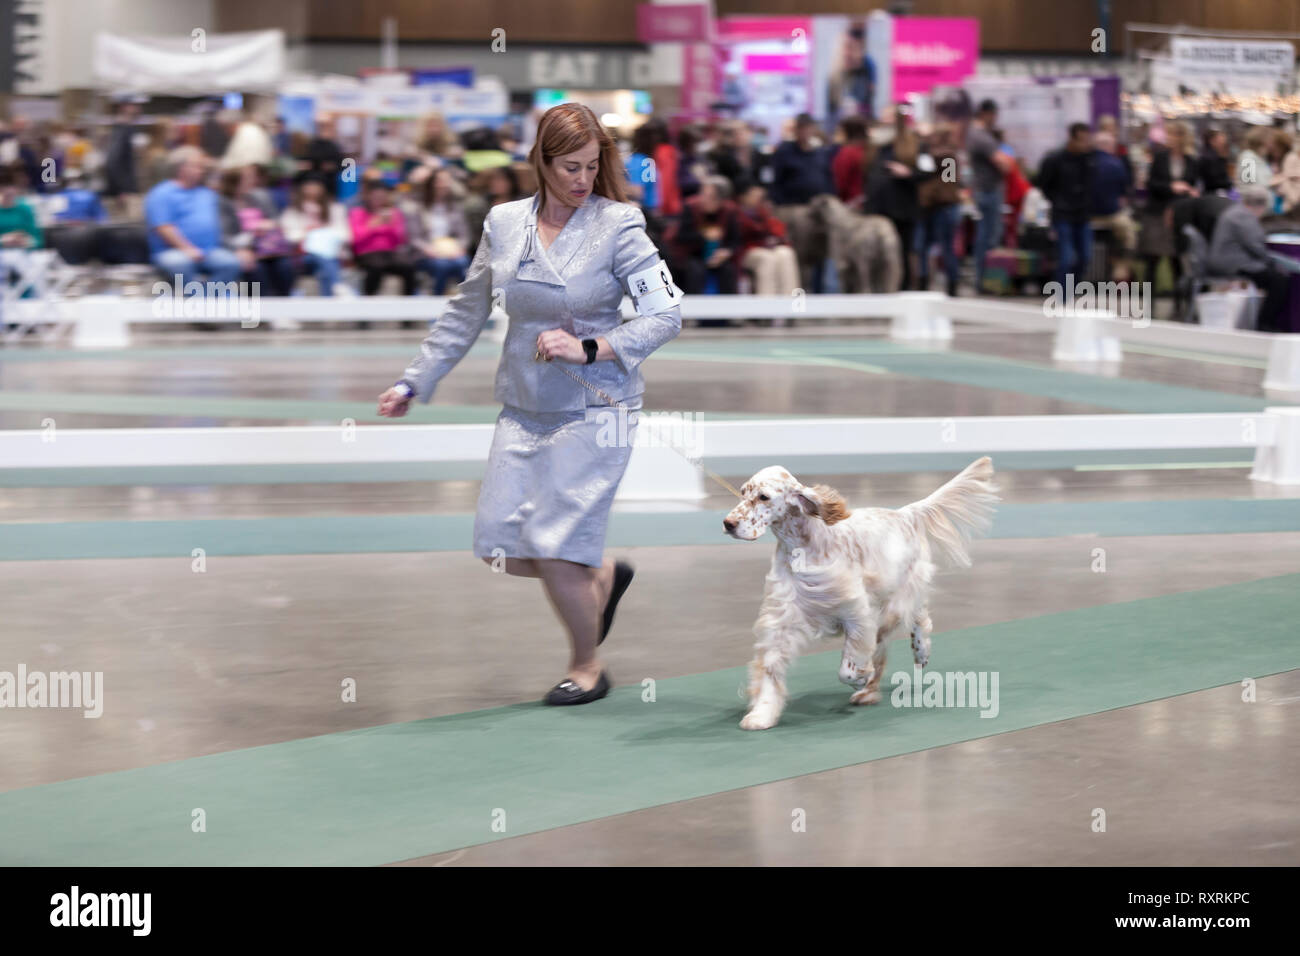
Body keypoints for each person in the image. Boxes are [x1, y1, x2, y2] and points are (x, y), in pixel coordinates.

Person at [377, 102, 683, 705]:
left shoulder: (620, 224)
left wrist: (590, 346)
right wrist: (415, 380)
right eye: (569, 166)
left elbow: (666, 313)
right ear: (539, 161)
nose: (581, 180)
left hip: (598, 407)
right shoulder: (503, 222)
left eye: (592, 167)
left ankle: (587, 665)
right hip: (523, 405)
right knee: (504, 549)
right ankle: (600, 576)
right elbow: (465, 310)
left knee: (552, 543)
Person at [144, 146, 240, 286]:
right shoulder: (161, 193)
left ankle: (205, 299)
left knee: (231, 263)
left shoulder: (206, 193)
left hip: (208, 250)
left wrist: (238, 249)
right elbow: (163, 227)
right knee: (180, 264)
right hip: (173, 251)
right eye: (197, 166)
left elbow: (222, 224)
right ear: (181, 168)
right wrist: (187, 248)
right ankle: (197, 301)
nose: (201, 170)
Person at [1207, 186, 1291, 333]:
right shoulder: (1243, 216)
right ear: (1261, 206)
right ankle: (1265, 323)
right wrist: (1272, 262)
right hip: (1232, 263)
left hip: (1229, 260)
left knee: (1275, 275)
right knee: (1279, 279)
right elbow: (1255, 246)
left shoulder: (1236, 211)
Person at [1139, 119, 1201, 315]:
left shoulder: (1191, 160)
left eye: (1176, 134)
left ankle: (1179, 305)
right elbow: (1151, 184)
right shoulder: (1160, 157)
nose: (1172, 138)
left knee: (1178, 262)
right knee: (1153, 260)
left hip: (1179, 214)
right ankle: (1149, 306)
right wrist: (1170, 187)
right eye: (1170, 134)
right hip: (1157, 214)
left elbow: (1195, 183)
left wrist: (1189, 191)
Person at [866, 111, 922, 290]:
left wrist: (909, 173)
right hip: (877, 210)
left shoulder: (916, 145)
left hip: (905, 210)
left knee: (903, 253)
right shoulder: (876, 145)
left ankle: (905, 290)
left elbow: (940, 175)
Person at [1038, 123, 1097, 291]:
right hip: (1063, 215)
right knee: (1065, 258)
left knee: (1085, 256)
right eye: (1081, 140)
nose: (1085, 145)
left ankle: (1072, 290)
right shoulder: (1055, 160)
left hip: (1082, 215)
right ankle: (1061, 296)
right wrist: (1057, 201)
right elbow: (1044, 185)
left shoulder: (1089, 160)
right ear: (1072, 139)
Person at [281, 173, 351, 296]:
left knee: (325, 264)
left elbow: (346, 235)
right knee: (323, 257)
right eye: (309, 185)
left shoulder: (335, 209)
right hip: (304, 256)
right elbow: (288, 236)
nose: (312, 188)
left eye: (316, 185)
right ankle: (337, 285)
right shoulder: (292, 211)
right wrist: (309, 232)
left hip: (332, 253)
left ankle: (328, 306)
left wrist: (323, 232)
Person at [915, 123, 962, 296]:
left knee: (945, 248)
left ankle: (951, 284)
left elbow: (949, 183)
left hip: (944, 208)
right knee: (930, 247)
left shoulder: (946, 158)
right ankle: (929, 281)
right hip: (935, 208)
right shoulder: (932, 157)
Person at [407, 166, 471, 294]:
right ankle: (436, 302)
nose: (443, 185)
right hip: (426, 252)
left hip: (452, 251)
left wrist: (459, 249)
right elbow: (414, 238)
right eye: (439, 181)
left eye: (446, 181)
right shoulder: (417, 207)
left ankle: (464, 303)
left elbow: (464, 235)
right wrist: (429, 250)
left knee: (462, 263)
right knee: (441, 266)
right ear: (431, 184)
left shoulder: (455, 208)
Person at [348, 180, 417, 296]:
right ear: (368, 196)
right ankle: (368, 300)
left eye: (382, 196)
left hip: (390, 253)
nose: (379, 199)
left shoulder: (394, 213)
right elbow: (357, 238)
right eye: (376, 196)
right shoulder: (358, 213)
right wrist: (374, 224)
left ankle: (408, 303)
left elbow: (400, 239)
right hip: (367, 253)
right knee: (376, 266)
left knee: (409, 266)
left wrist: (391, 223)